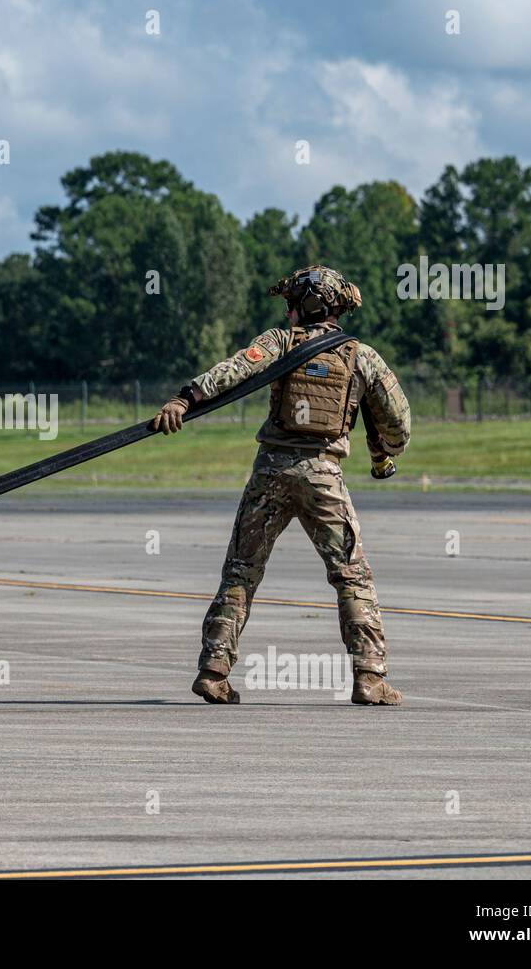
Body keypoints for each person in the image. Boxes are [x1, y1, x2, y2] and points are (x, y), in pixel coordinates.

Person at [153, 265, 410, 705]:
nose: (287, 311)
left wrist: (184, 398)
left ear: (304, 306)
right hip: (323, 476)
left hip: (270, 473)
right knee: (351, 576)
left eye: (291, 303)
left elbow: (231, 372)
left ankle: (214, 669)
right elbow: (398, 423)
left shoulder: (278, 343)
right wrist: (383, 452)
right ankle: (369, 676)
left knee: (240, 572)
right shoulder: (362, 356)